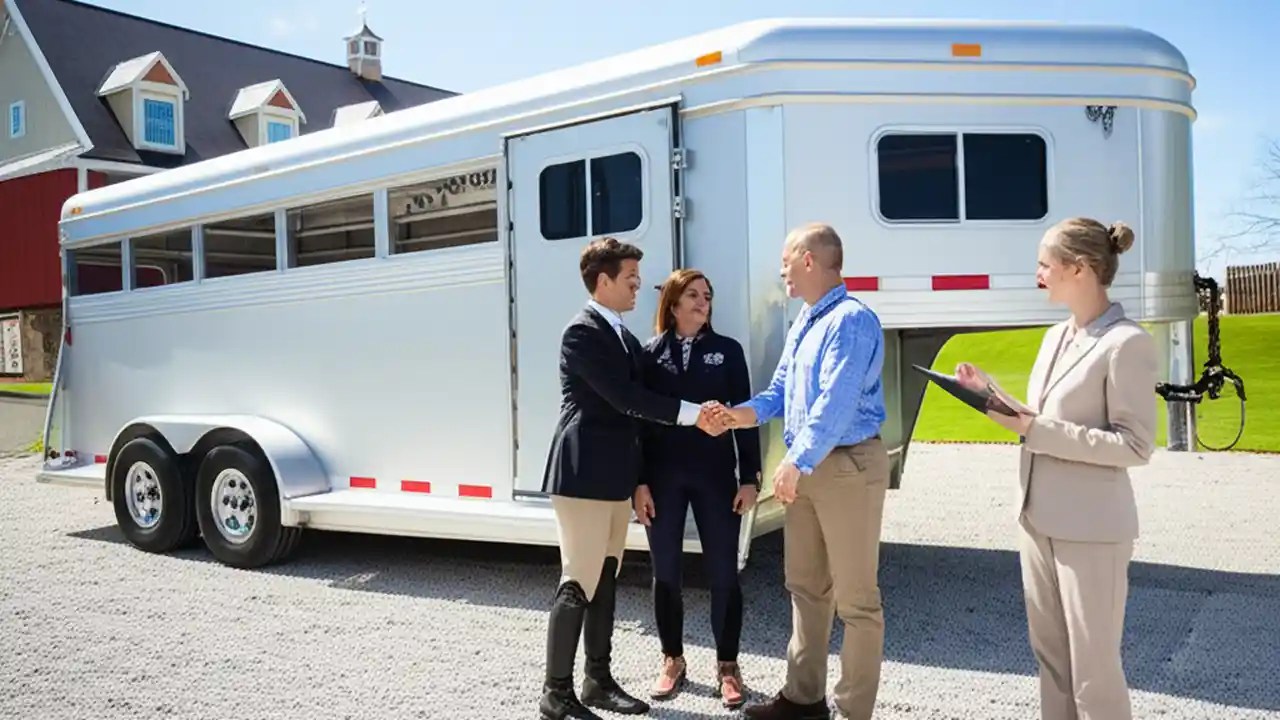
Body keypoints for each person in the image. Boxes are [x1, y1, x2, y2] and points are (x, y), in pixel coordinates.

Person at [956, 218, 1156, 720]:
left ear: (1081, 269)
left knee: (1094, 674)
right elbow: (1043, 417)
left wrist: (1032, 428)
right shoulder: (1053, 338)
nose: (1038, 274)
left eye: (1046, 265)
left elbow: (1135, 447)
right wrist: (992, 394)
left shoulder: (1126, 343)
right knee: (1053, 665)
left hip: (1091, 531)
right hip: (1037, 520)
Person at [709, 222, 890, 720]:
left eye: (786, 260)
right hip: (810, 466)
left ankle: (853, 712)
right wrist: (734, 415)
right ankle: (803, 701)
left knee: (857, 601)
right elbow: (779, 393)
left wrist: (796, 460)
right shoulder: (806, 321)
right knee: (807, 588)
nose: (782, 270)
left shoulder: (851, 321)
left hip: (847, 465)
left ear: (808, 259)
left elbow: (836, 400)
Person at [539, 236, 724, 720]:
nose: (639, 286)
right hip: (581, 473)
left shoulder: (620, 334)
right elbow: (625, 398)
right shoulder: (581, 334)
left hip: (615, 476)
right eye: (631, 279)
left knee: (604, 577)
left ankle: (598, 681)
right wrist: (693, 414)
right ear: (603, 282)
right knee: (577, 581)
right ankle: (555, 695)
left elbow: (651, 388)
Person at [633, 268, 762, 709]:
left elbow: (746, 416)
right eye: (692, 295)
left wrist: (750, 477)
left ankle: (728, 666)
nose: (702, 302)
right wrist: (639, 482)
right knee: (665, 572)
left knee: (724, 572)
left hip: (715, 478)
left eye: (707, 295)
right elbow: (640, 424)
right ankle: (672, 659)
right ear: (672, 303)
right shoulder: (650, 355)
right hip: (664, 480)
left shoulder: (727, 352)